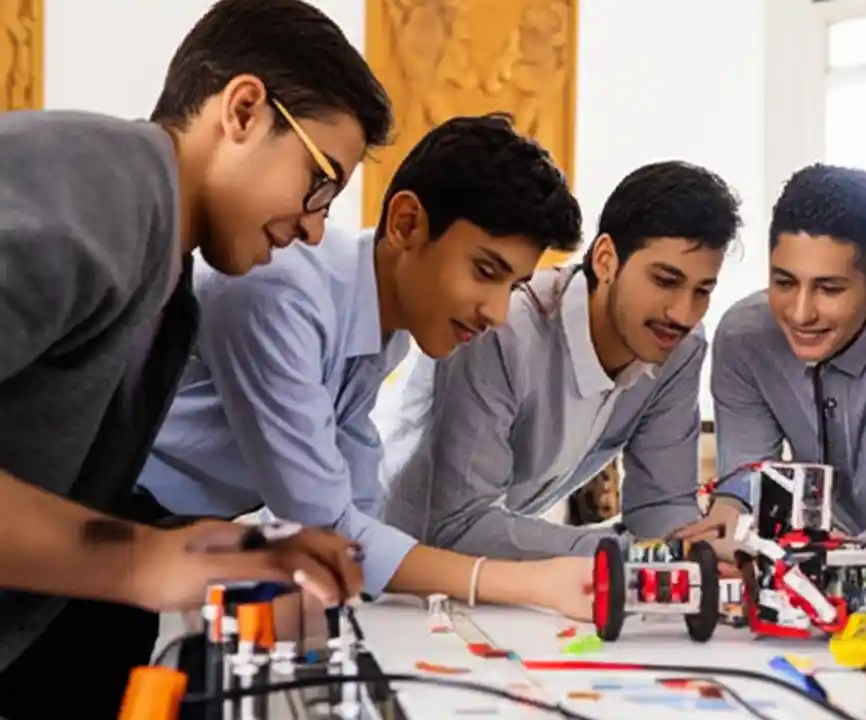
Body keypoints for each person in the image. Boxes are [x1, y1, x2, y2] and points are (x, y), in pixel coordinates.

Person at [0, 0, 392, 715]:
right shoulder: (99, 193)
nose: (312, 228)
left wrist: (207, 543)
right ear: (243, 110)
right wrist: (143, 561)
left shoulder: (169, 284)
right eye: (321, 183)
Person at [139, 114, 596, 628]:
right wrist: (529, 582)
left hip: (170, 537)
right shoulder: (283, 292)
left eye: (514, 287)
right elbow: (321, 523)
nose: (495, 312)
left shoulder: (384, 327)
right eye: (485, 271)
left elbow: (353, 509)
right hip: (112, 524)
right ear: (406, 224)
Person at [384, 160, 741, 558]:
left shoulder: (680, 346)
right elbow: (461, 525)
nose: (682, 313)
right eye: (665, 281)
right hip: (391, 564)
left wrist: (696, 552)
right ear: (606, 259)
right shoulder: (504, 327)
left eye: (702, 290)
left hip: (495, 578)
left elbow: (661, 507)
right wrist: (633, 553)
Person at [675, 164, 866, 568]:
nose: (800, 312)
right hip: (814, 578)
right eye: (784, 282)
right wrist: (731, 516)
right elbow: (746, 488)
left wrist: (802, 571)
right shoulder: (744, 338)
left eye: (828, 288)